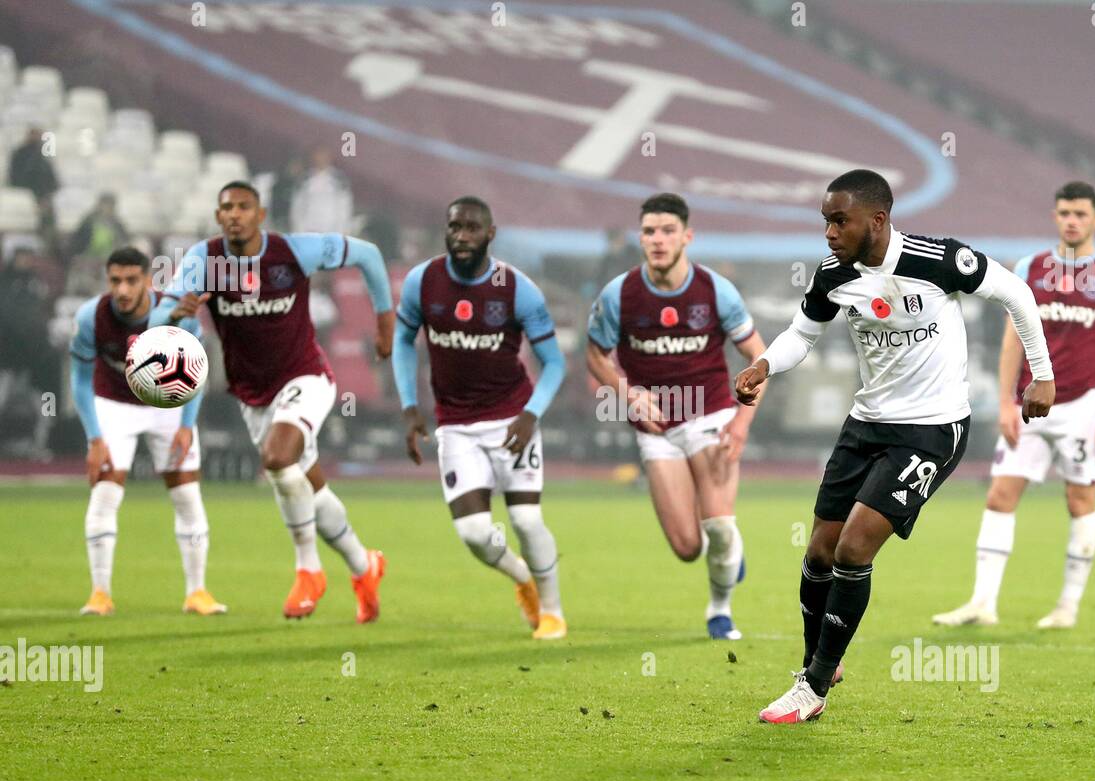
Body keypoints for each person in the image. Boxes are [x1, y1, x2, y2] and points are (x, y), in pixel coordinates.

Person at [735, 169, 1054, 724]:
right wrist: (765, 363)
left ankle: (812, 690)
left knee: (854, 549)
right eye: (825, 222)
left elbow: (1017, 294)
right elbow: (803, 334)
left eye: (840, 221)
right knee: (818, 553)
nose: (830, 233)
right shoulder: (834, 274)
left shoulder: (940, 260)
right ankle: (818, 662)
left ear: (877, 220)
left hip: (933, 429)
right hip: (866, 425)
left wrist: (1042, 375)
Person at [152, 181, 394, 621]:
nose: (234, 214)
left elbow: (369, 256)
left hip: (307, 377)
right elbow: (157, 317)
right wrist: (173, 313)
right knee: (309, 488)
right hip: (254, 396)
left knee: (278, 459)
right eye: (226, 207)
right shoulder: (204, 260)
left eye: (244, 206)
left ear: (260, 214)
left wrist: (383, 320)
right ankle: (364, 565)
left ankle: (309, 570)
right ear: (218, 215)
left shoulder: (294, 252)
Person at [934, 181, 1095, 630]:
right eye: (1065, 212)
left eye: (1081, 214)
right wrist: (1006, 402)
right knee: (1000, 494)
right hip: (1030, 405)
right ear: (1055, 216)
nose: (1072, 221)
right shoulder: (1031, 267)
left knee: (1080, 498)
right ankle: (982, 603)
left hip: (1083, 403)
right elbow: (1012, 340)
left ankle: (1067, 607)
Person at [587, 193, 767, 640]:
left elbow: (759, 357)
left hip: (711, 418)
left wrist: (741, 425)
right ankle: (725, 556)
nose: (658, 239)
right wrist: (627, 394)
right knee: (688, 547)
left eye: (668, 231)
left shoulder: (715, 291)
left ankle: (720, 612)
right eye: (649, 231)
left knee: (721, 527)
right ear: (641, 238)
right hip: (657, 432)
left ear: (687, 236)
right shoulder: (620, 294)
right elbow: (594, 354)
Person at [393, 197, 569, 639]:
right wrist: (410, 406)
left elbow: (555, 363)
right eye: (454, 227)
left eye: (472, 228)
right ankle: (521, 577)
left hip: (513, 420)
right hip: (455, 425)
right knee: (474, 533)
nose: (462, 236)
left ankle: (552, 610)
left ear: (491, 234)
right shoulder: (423, 282)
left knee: (527, 522)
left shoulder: (516, 289)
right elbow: (401, 341)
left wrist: (531, 415)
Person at [69, 247, 222, 616]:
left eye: (131, 280)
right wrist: (94, 438)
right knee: (105, 495)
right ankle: (100, 594)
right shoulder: (91, 317)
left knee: (186, 495)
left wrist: (187, 426)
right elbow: (79, 379)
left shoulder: (180, 316)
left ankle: (197, 592)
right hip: (114, 405)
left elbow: (195, 374)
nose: (122, 290)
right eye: (115, 280)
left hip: (166, 407)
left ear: (147, 281)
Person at [290, 148, 353, 235]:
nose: (321, 159)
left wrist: (341, 230)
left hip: (331, 229)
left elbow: (344, 207)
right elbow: (297, 206)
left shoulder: (339, 179)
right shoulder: (304, 179)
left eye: (324, 156)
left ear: (330, 158)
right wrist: (298, 229)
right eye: (318, 156)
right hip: (307, 228)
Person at [68, 194, 130, 261]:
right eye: (105, 205)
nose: (108, 209)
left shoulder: (116, 223)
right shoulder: (89, 221)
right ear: (99, 206)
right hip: (88, 257)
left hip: (110, 257)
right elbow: (78, 241)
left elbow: (124, 239)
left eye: (110, 206)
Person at [7, 128, 58, 202]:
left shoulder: (41, 152)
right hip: (26, 184)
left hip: (41, 187)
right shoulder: (20, 153)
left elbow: (49, 173)